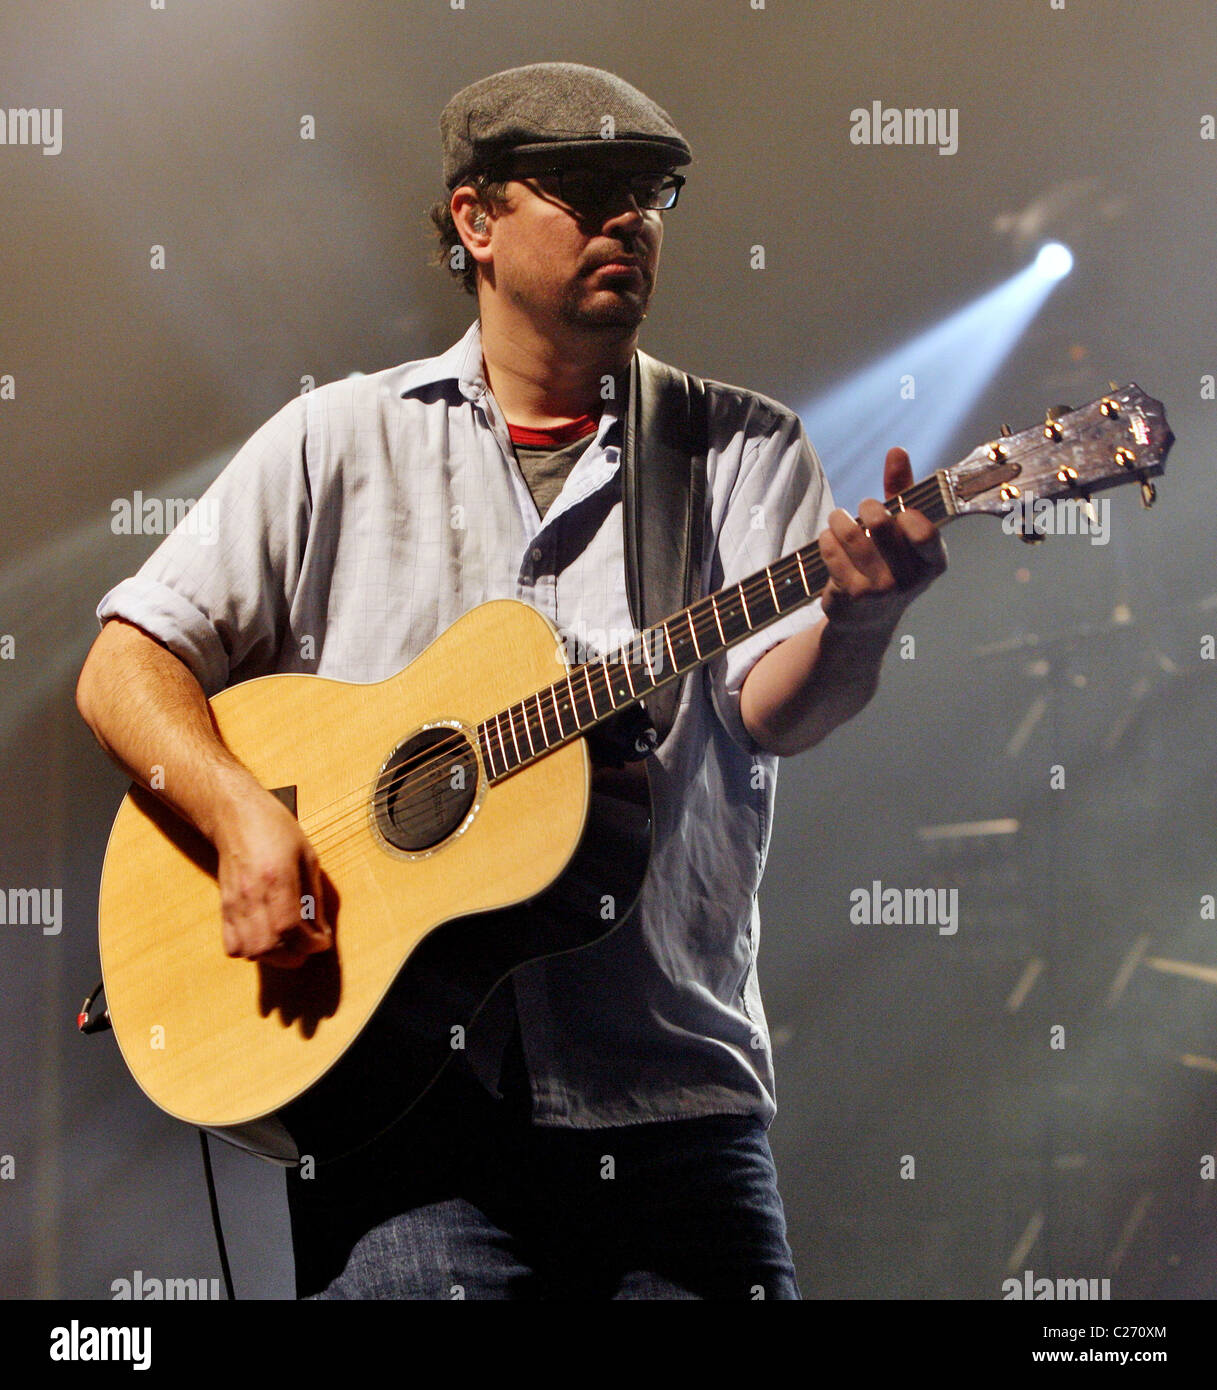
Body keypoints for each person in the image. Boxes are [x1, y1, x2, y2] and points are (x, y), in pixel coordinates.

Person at [76, 62, 945, 1299]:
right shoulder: (337, 440)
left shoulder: (740, 448)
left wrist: (861, 626)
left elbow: (772, 712)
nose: (629, 220)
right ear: (474, 220)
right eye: (588, 189)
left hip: (671, 1096)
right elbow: (124, 666)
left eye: (651, 193)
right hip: (399, 1121)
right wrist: (241, 816)